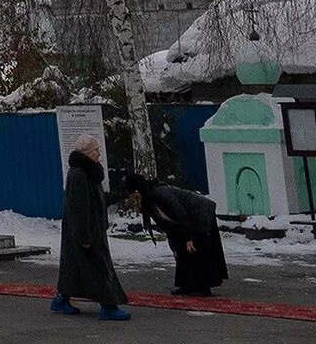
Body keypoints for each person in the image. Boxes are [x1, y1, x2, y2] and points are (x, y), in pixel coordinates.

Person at [51, 134, 130, 320]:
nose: (99, 153)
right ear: (87, 153)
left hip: (90, 228)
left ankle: (62, 298)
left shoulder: (89, 171)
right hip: (85, 230)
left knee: (76, 266)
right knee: (98, 266)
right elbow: (78, 207)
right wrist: (84, 236)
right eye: (96, 150)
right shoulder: (79, 174)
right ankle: (108, 306)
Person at [136, 175, 227, 296]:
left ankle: (204, 287)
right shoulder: (150, 203)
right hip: (189, 217)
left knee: (200, 247)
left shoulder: (160, 193)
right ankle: (186, 285)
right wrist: (174, 247)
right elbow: (169, 227)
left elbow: (180, 213)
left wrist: (189, 238)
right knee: (182, 249)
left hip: (200, 213)